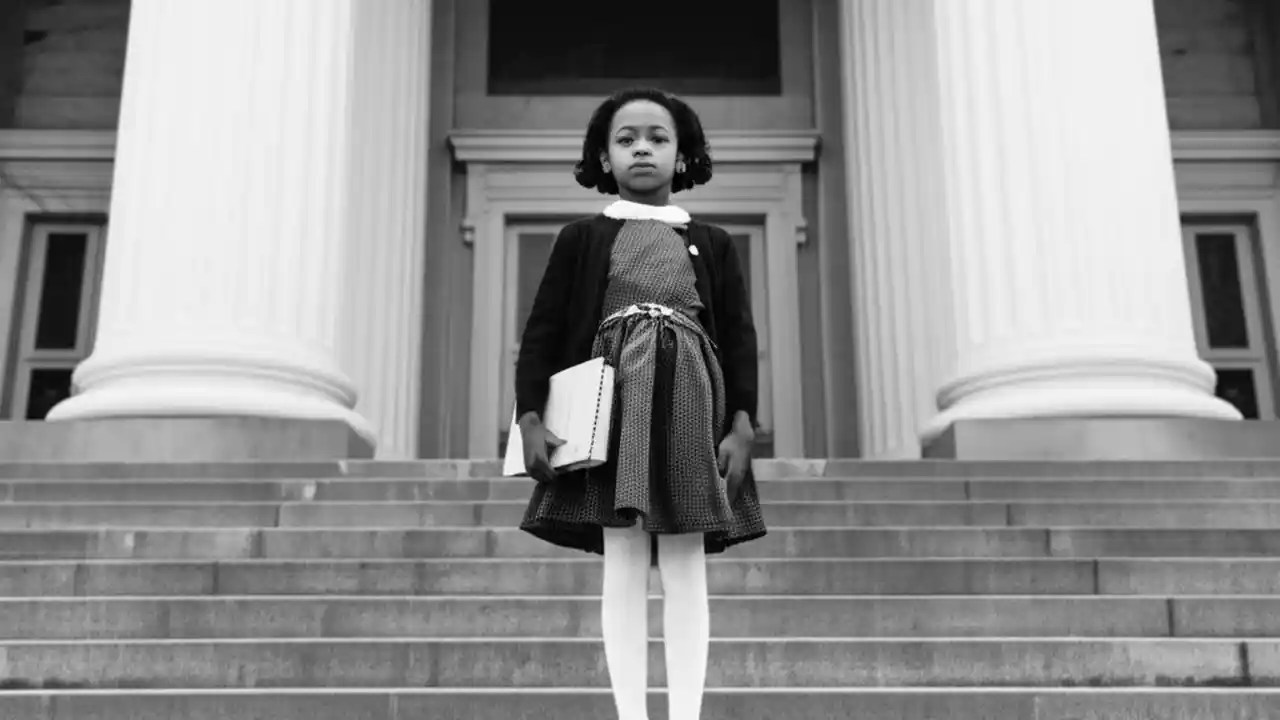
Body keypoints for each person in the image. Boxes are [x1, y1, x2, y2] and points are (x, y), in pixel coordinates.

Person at [513, 86, 767, 720]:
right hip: (611, 408)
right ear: (604, 158)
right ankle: (631, 714)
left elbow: (738, 336)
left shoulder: (711, 239)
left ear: (682, 156)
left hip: (690, 404)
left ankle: (685, 714)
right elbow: (542, 331)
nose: (642, 149)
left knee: (684, 563)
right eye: (626, 140)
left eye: (658, 138)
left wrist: (742, 425)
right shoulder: (580, 237)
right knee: (622, 560)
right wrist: (530, 416)